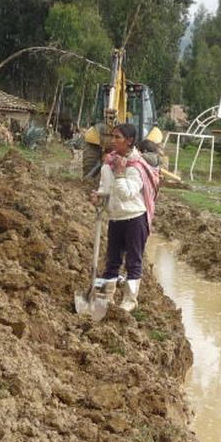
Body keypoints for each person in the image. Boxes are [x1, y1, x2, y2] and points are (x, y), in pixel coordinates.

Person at [89, 122, 159, 310]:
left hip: (135, 218)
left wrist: (120, 174)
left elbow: (127, 193)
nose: (113, 141)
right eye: (112, 136)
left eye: (117, 137)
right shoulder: (108, 163)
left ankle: (130, 301)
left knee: (133, 262)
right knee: (112, 261)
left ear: (129, 141)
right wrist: (98, 197)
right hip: (116, 218)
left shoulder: (136, 166)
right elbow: (105, 188)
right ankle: (106, 298)